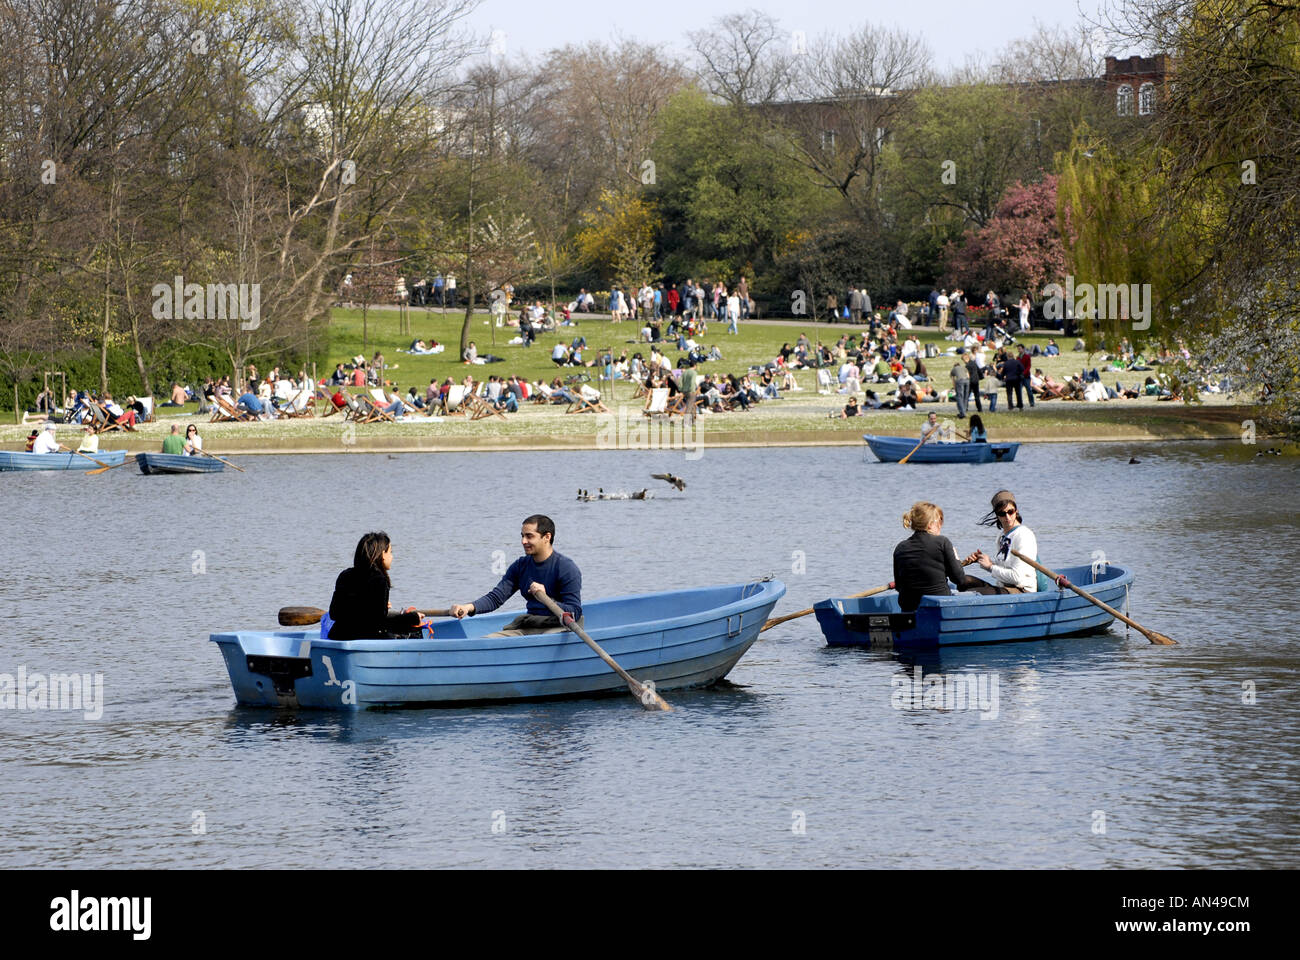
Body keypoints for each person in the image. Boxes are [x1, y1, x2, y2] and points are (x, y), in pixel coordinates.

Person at [449, 515, 582, 636]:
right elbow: (496, 598)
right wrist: (468, 607)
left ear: (547, 537)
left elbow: (574, 612)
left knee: (544, 639)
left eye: (529, 536)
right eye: (522, 536)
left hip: (561, 626)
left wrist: (546, 599)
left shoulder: (566, 568)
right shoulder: (520, 566)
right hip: (532, 624)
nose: (523, 541)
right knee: (487, 640)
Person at [327, 532, 429, 641]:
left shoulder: (345, 575)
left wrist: (380, 607)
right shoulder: (379, 580)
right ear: (382, 555)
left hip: (338, 636)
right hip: (364, 639)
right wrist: (412, 618)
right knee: (414, 632)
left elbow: (334, 614)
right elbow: (377, 624)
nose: (392, 556)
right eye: (390, 552)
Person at [892, 502, 972, 613]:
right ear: (930, 523)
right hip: (939, 609)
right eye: (940, 520)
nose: (941, 525)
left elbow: (899, 586)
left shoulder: (900, 547)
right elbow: (959, 579)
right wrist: (956, 558)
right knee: (973, 593)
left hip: (909, 608)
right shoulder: (942, 542)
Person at [962, 490, 1039, 594]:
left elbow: (1017, 577)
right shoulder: (1001, 536)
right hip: (1004, 587)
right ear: (997, 515)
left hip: (1021, 590)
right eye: (1002, 513)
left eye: (1010, 512)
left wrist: (990, 567)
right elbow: (1004, 568)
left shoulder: (1023, 535)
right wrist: (984, 561)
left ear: (1016, 511)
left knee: (971, 593)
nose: (1007, 517)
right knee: (964, 581)